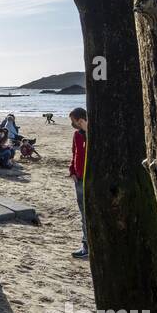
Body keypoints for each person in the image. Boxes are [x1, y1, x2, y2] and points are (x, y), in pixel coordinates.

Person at [69, 107, 89, 259]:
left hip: (90, 179)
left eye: (73, 121)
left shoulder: (91, 134)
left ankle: (89, 243)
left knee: (90, 213)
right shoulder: (76, 135)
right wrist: (72, 171)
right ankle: (85, 244)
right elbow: (74, 153)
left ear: (80, 120)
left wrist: (87, 131)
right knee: (83, 213)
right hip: (79, 178)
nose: (73, 124)